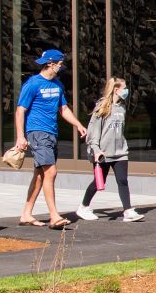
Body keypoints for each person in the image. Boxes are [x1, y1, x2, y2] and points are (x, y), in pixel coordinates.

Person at [14, 48, 86, 229]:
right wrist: (20, 137)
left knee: (40, 175)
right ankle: (54, 216)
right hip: (37, 133)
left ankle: (26, 214)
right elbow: (20, 111)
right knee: (51, 172)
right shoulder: (33, 84)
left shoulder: (57, 84)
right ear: (51, 64)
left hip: (51, 133)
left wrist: (78, 124)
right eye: (60, 64)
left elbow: (63, 109)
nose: (61, 67)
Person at [74, 77, 144, 222]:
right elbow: (93, 131)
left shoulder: (122, 108)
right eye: (124, 88)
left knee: (122, 180)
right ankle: (83, 207)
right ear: (116, 90)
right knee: (99, 182)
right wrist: (96, 150)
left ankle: (128, 211)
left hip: (120, 152)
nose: (126, 91)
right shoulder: (102, 107)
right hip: (103, 153)